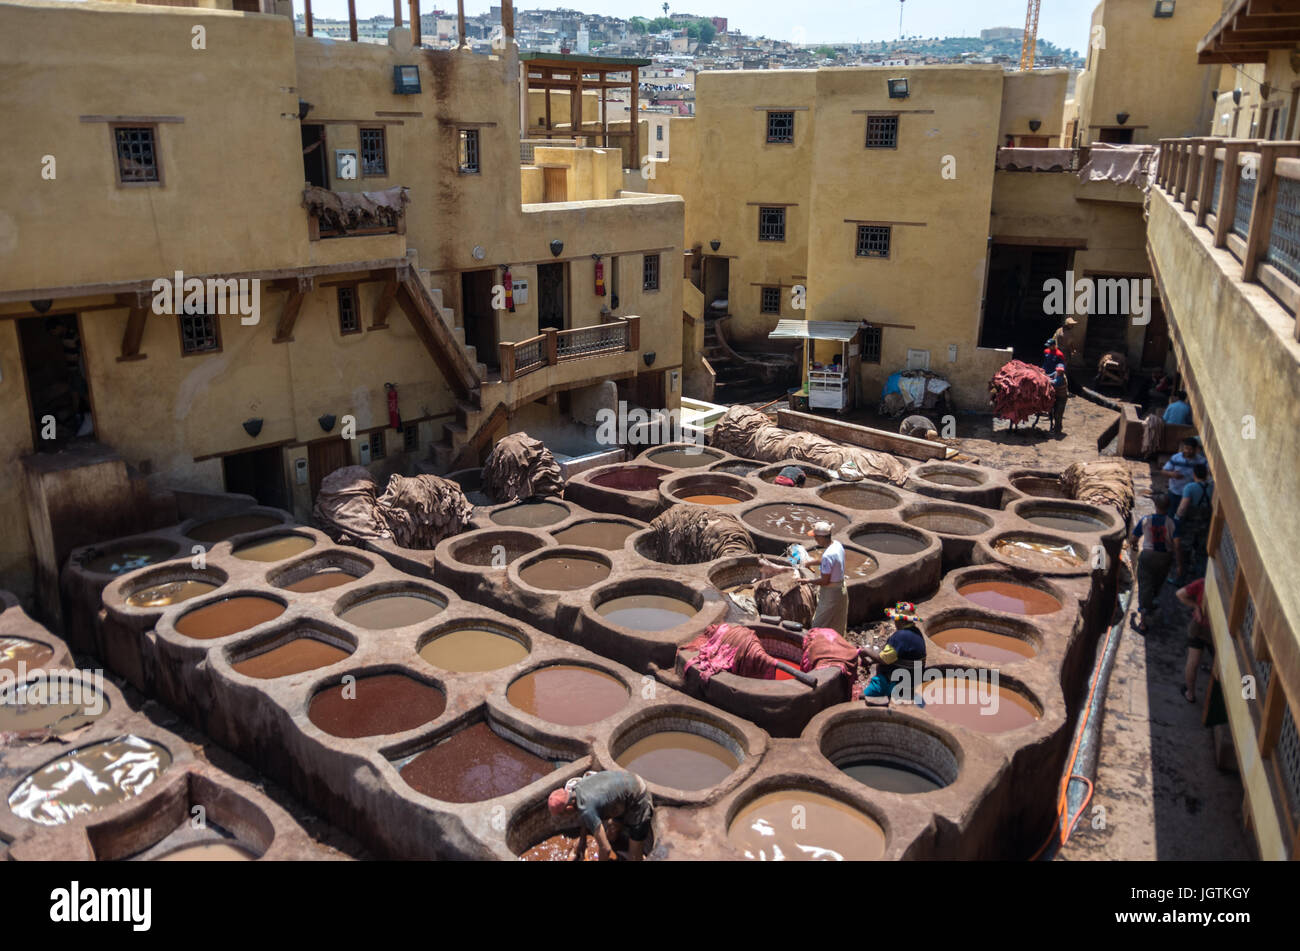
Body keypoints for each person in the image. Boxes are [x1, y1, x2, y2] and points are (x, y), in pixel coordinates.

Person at [547, 770, 654, 861]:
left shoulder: (586, 808)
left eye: (563, 814)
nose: (564, 817)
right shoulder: (577, 790)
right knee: (611, 835)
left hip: (638, 796)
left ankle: (639, 854)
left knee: (634, 857)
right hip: (622, 795)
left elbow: (606, 849)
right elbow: (584, 815)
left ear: (568, 807)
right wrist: (582, 841)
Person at [1129, 492, 1177, 635]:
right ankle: (1151, 603)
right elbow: (1177, 544)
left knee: (1145, 585)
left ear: (1155, 506)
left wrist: (1134, 545)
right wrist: (1179, 563)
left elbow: (1134, 537)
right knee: (1157, 582)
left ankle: (1142, 622)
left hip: (1148, 556)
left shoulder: (1146, 520)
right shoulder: (1172, 523)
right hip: (1165, 558)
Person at [861, 602, 927, 701]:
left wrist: (866, 651)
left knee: (862, 696)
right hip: (914, 678)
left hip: (897, 680)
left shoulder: (900, 636)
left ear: (899, 620)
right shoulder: (916, 632)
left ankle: (884, 693)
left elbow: (883, 659)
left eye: (894, 619)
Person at [804, 521, 848, 635]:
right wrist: (810, 562)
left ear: (821, 537)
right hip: (841, 589)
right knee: (837, 624)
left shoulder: (828, 555)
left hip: (831, 594)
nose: (815, 540)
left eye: (815, 537)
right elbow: (825, 561)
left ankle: (815, 648)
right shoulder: (837, 545)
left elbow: (824, 581)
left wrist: (807, 580)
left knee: (817, 626)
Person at [1175, 463, 1214, 583]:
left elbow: (1183, 506)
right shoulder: (1212, 487)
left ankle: (1181, 579)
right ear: (1206, 475)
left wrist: (1177, 518)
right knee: (1201, 553)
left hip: (1190, 525)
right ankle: (1200, 582)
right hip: (1205, 524)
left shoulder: (1190, 487)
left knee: (1185, 552)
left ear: (1194, 474)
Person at [1176, 578, 1211, 704]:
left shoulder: (1204, 582)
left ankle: (1190, 694)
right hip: (1217, 632)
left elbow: (1180, 594)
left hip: (1199, 626)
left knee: (1192, 662)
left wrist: (1196, 606)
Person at [1162, 436, 1205, 508]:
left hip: (1191, 494)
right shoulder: (1176, 458)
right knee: (1171, 513)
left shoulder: (1201, 461)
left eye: (1190, 449)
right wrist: (1172, 474)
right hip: (1174, 492)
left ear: (1196, 449)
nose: (1187, 451)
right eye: (1186, 448)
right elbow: (1163, 471)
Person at [1045, 346, 1069, 436]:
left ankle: (1058, 430)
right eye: (1058, 371)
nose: (1059, 372)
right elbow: (1049, 375)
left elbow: (1055, 382)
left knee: (1058, 414)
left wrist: (1047, 380)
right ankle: (1055, 428)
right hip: (1056, 396)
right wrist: (1043, 375)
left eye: (1060, 371)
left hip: (1062, 398)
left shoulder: (1062, 378)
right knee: (1053, 412)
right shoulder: (1055, 373)